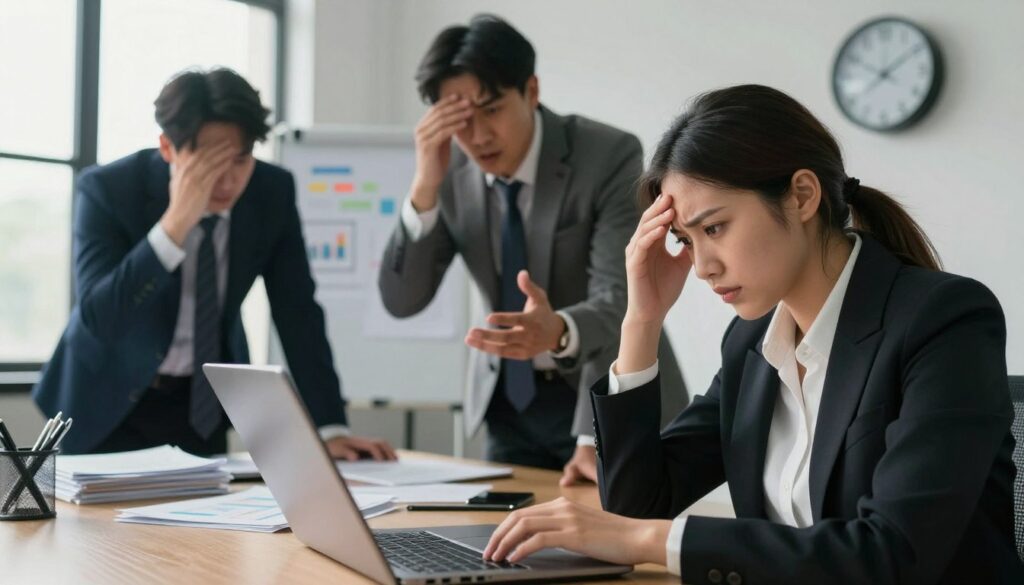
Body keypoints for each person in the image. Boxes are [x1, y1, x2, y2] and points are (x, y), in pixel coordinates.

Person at [482, 84, 1023, 583]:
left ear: (802, 196)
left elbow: (892, 554)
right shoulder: (752, 345)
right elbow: (637, 503)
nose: (701, 267)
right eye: (685, 240)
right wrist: (640, 322)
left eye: (714, 228)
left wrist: (649, 539)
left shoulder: (944, 321)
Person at [378, 14, 687, 485]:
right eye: (459, 119)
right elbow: (403, 300)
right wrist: (424, 189)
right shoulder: (449, 172)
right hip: (507, 404)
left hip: (597, 393)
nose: (477, 135)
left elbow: (621, 295)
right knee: (501, 548)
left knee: (610, 545)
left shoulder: (606, 155)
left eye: (492, 109)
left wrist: (558, 330)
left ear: (532, 91)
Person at [34, 68, 396, 461]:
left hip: (200, 406)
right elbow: (99, 318)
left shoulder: (271, 192)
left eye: (240, 160)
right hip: (104, 403)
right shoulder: (108, 190)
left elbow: (298, 314)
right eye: (209, 162)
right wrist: (174, 225)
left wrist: (329, 427)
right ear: (168, 148)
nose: (226, 181)